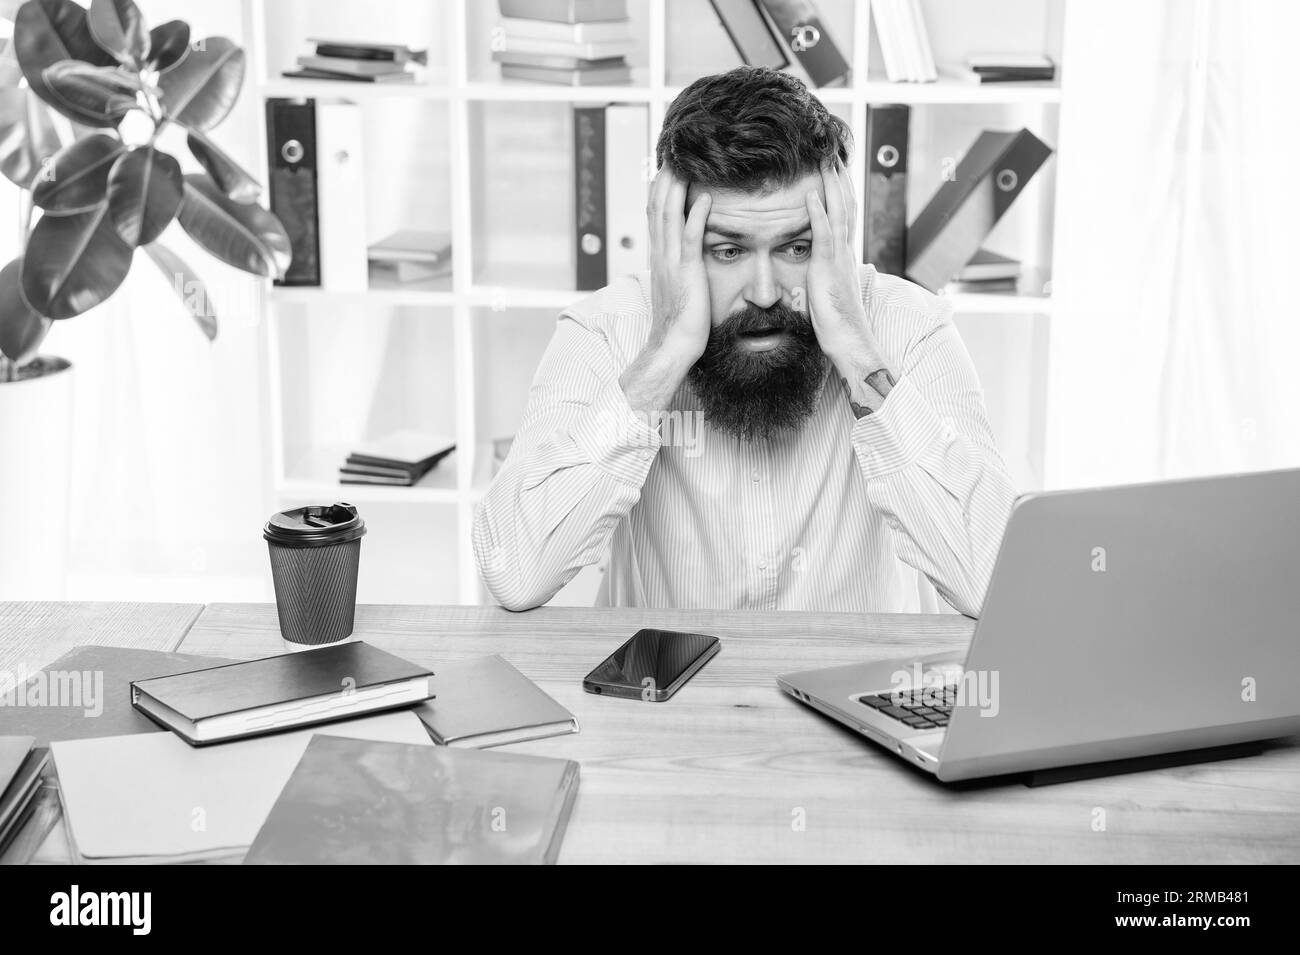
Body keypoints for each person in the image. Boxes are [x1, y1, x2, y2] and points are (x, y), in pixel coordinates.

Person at [473, 66, 1017, 616]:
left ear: (838, 231)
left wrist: (855, 348)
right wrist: (663, 355)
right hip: (659, 701)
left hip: (855, 693)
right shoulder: (606, 330)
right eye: (728, 251)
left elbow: (997, 583)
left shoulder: (909, 326)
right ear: (671, 240)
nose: (763, 293)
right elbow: (515, 574)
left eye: (797, 248)